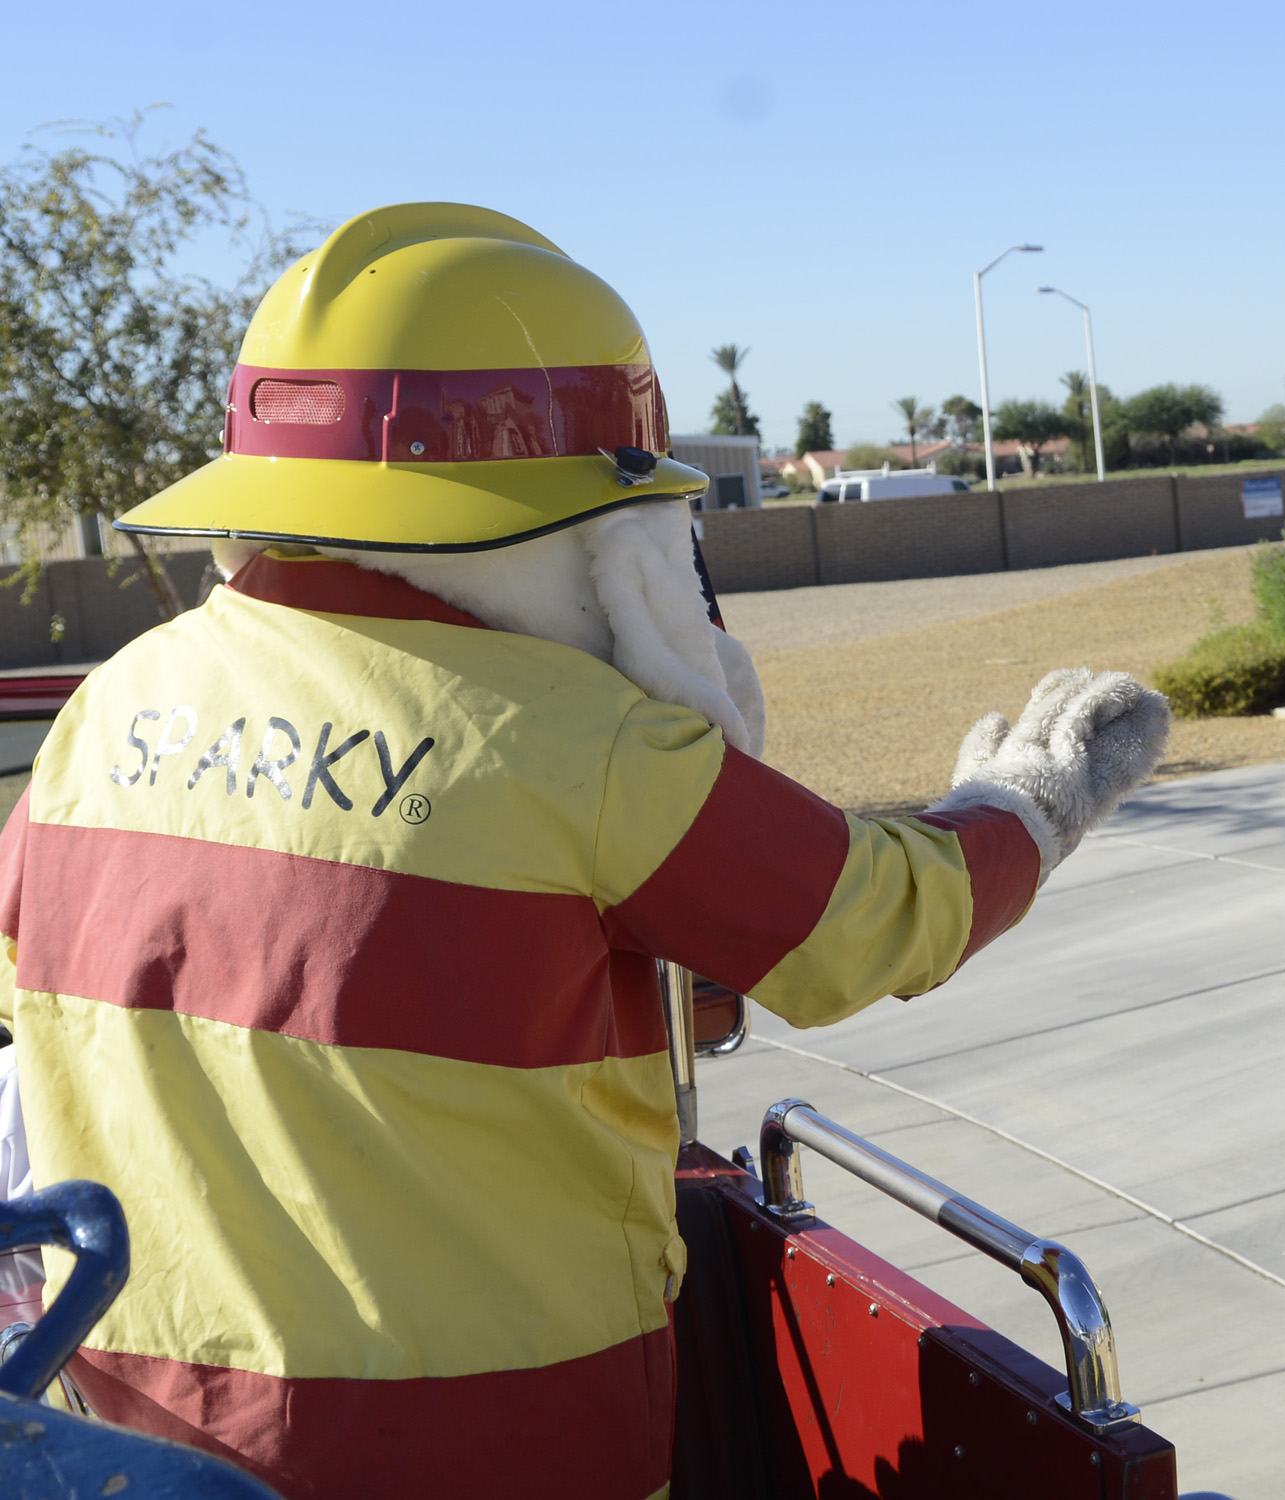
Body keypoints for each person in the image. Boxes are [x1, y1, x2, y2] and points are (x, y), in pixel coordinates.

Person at [0, 203, 1170, 1499]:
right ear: (577, 527)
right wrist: (1027, 803)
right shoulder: (576, 742)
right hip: (501, 1455)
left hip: (131, 1450)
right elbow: (871, 921)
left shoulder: (99, 720)